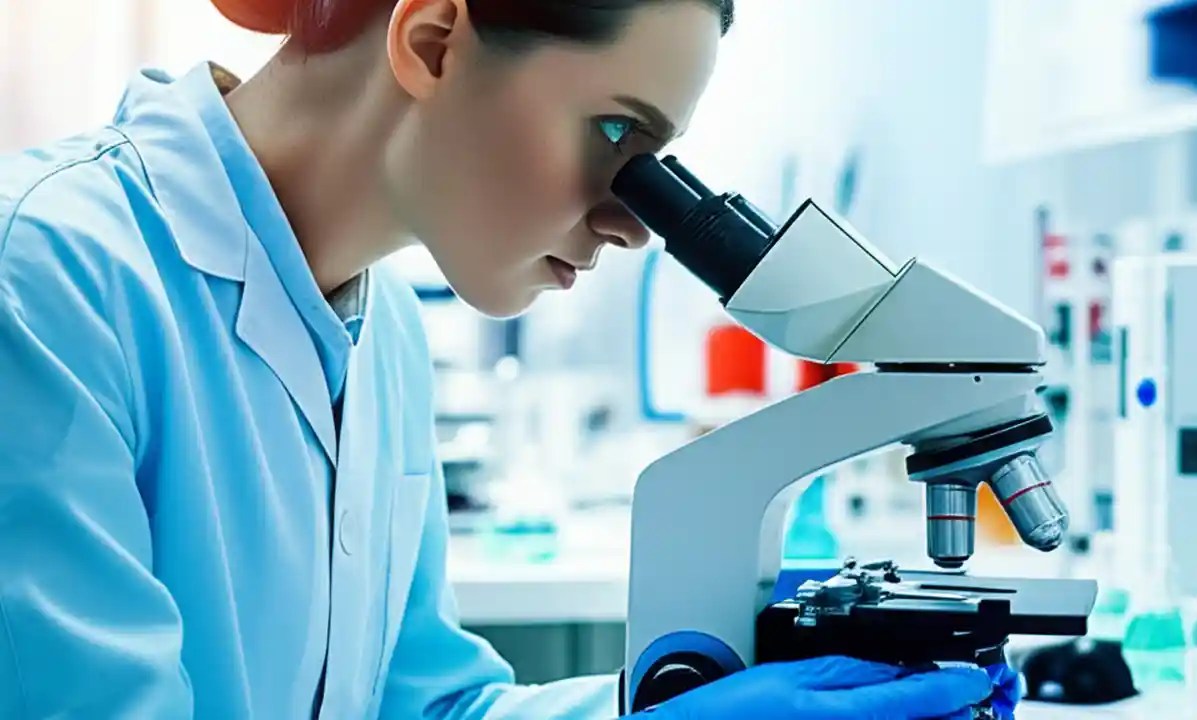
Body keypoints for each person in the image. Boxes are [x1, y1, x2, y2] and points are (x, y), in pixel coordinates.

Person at [0, 0, 1018, 717]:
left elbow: (424, 705)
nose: (629, 225)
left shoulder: (379, 327)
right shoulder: (47, 277)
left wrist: (654, 705)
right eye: (615, 135)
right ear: (434, 40)